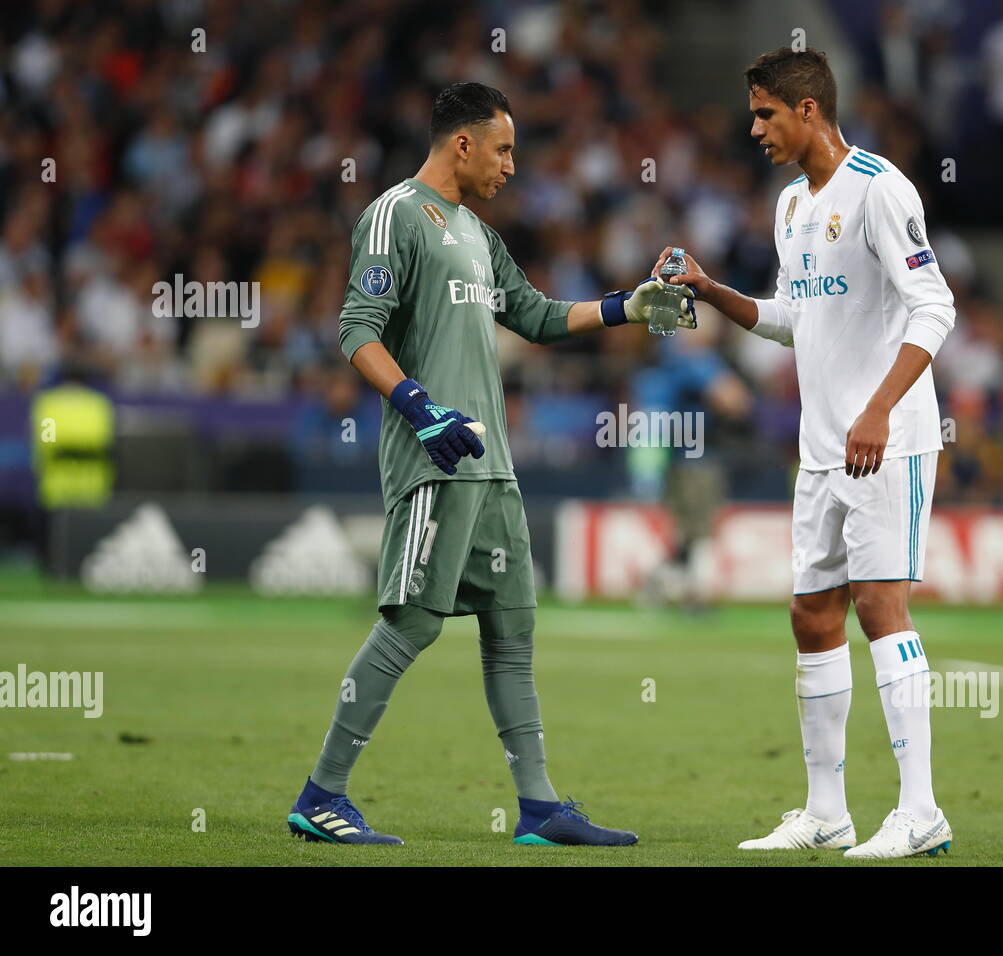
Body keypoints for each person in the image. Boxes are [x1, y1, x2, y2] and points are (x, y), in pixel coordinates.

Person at [287, 82, 696, 848]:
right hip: (433, 459)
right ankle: (322, 794)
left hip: (492, 469)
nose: (513, 164)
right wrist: (418, 406)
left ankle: (539, 806)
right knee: (410, 624)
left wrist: (627, 308)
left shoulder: (477, 234)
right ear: (463, 143)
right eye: (504, 148)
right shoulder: (394, 216)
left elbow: (537, 315)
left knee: (512, 631)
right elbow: (355, 330)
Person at [653, 47, 956, 858]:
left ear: (809, 111)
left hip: (885, 441)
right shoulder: (791, 207)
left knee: (879, 607)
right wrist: (713, 291)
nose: (753, 128)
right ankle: (827, 812)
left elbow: (934, 305)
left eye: (764, 114)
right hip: (822, 448)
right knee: (811, 613)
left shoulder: (879, 189)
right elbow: (796, 317)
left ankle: (922, 811)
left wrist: (879, 411)